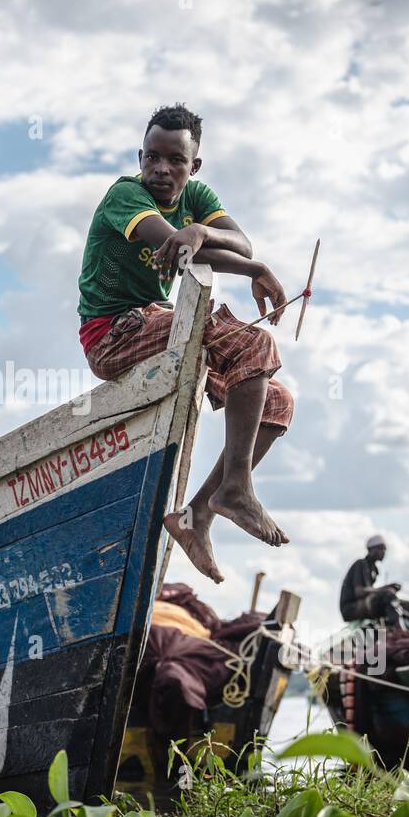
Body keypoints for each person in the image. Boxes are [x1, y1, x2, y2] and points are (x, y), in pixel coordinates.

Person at [77, 103, 294, 585]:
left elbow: (241, 242)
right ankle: (236, 488)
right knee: (254, 345)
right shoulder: (126, 195)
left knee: (275, 402)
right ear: (139, 157)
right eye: (152, 157)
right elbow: (176, 246)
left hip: (161, 325)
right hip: (113, 334)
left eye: (175, 160)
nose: (161, 169)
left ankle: (196, 517)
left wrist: (204, 232)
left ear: (193, 166)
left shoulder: (195, 195)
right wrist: (218, 250)